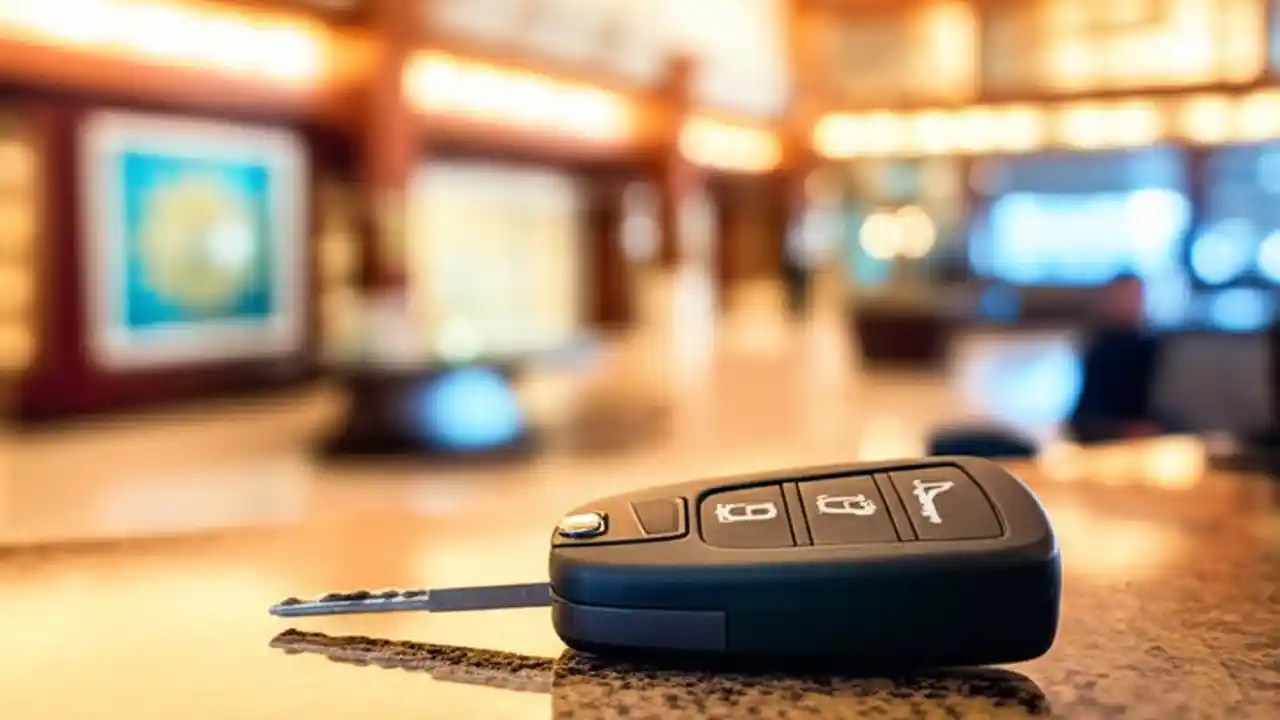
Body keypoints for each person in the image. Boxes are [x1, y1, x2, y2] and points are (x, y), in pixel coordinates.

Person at [1067, 274, 1164, 443]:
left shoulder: (1154, 346)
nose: (1131, 302)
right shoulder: (1100, 349)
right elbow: (1087, 415)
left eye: (1136, 296)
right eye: (1124, 295)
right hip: (1103, 435)